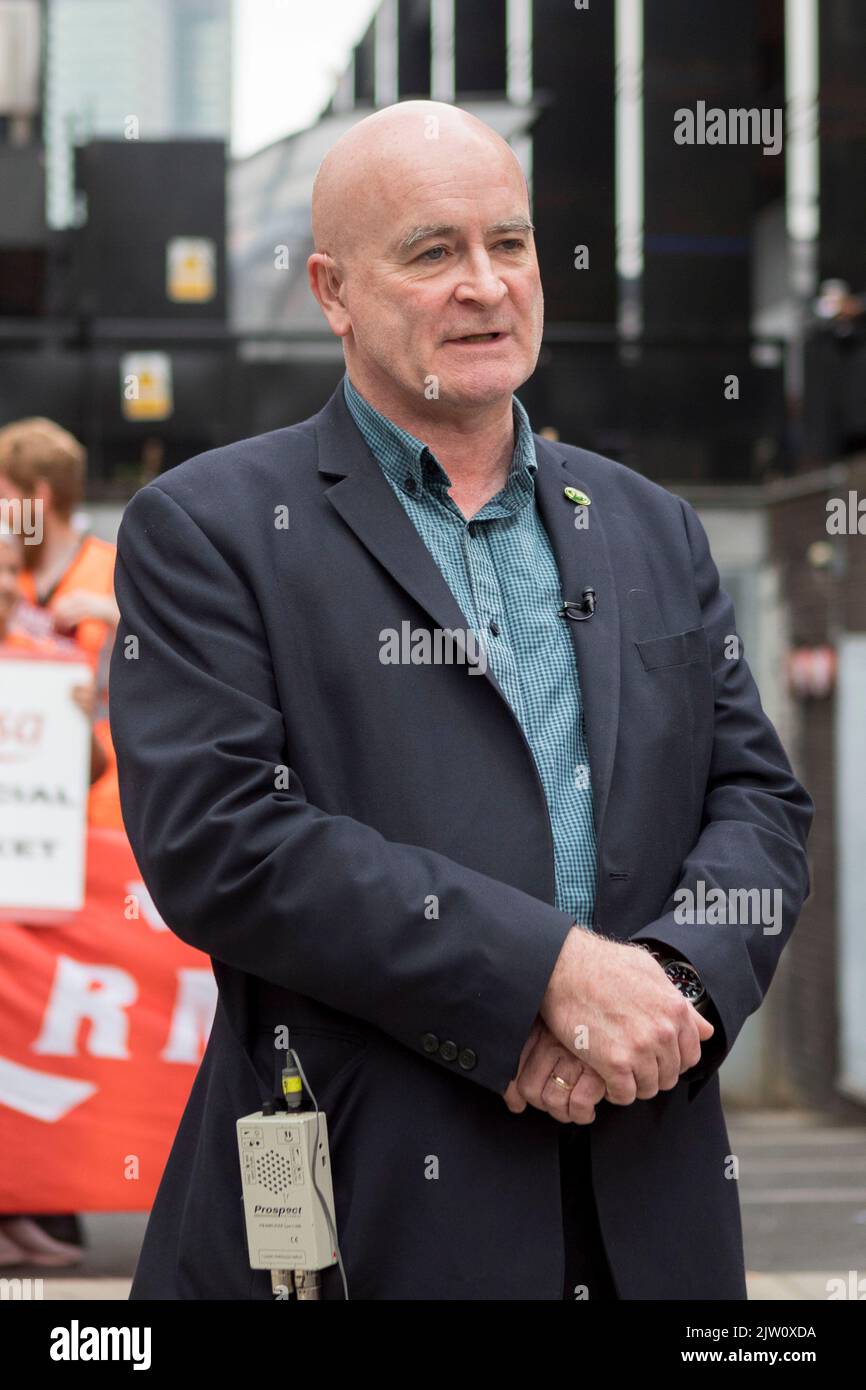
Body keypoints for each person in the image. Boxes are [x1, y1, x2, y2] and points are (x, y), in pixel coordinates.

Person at [109, 101, 813, 1300]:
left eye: (511, 243)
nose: (486, 286)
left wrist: (667, 993)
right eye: (432, 252)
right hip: (367, 1203)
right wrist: (543, 977)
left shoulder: (650, 524)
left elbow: (755, 800)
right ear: (332, 290)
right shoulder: (209, 530)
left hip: (652, 1209)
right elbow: (221, 842)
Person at [0, 520, 106, 1267]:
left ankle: (26, 1212)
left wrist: (79, 725)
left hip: (29, 903)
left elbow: (95, 768)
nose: (11, 583)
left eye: (14, 568)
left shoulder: (43, 662)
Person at [0, 419, 122, 831]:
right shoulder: (10, 574)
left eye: (6, 497)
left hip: (100, 791)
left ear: (40, 496)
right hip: (20, 785)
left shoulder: (113, 568)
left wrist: (115, 613)